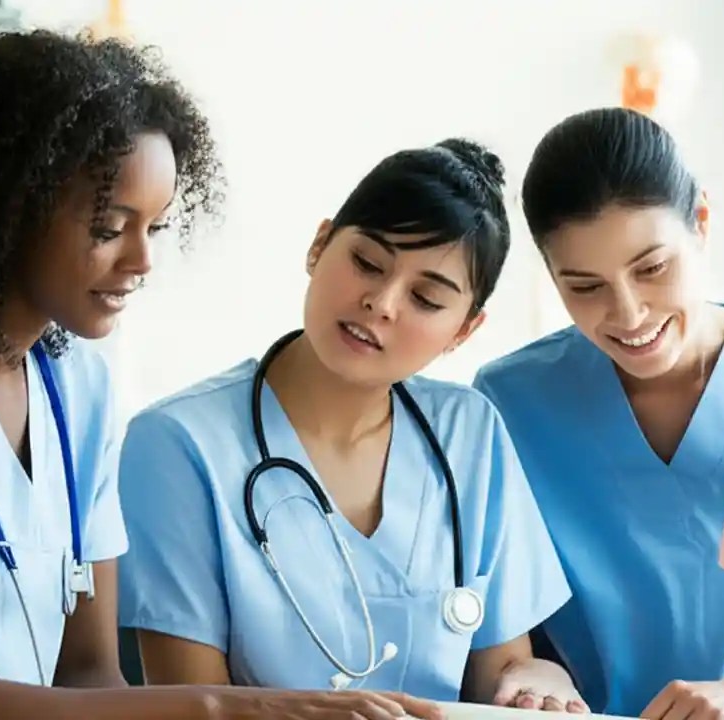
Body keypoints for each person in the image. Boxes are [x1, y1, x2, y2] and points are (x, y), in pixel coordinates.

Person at [0, 29, 443, 720]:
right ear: (6, 210)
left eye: (156, 228)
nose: (142, 261)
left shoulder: (77, 385)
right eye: (111, 226)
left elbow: (89, 675)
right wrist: (232, 709)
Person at [116, 138, 585, 715]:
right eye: (367, 263)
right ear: (319, 246)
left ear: (464, 331)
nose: (382, 303)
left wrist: (537, 684)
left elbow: (501, 677)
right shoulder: (177, 444)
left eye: (425, 298)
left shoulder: (469, 432)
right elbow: (187, 705)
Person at [471, 107, 724, 719]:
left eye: (651, 269)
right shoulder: (508, 402)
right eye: (584, 286)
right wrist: (529, 673)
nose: (628, 313)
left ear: (701, 223)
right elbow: (497, 616)